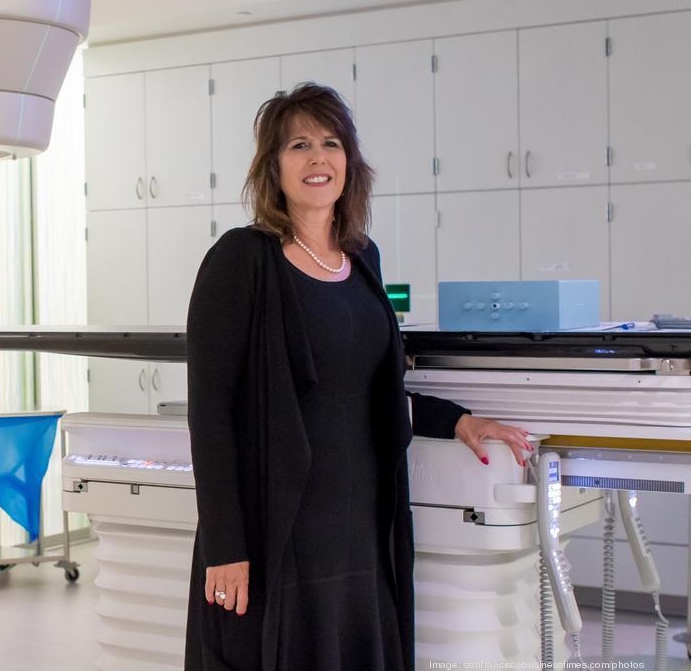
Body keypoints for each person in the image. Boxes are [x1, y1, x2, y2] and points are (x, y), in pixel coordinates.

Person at [183, 83, 535, 670]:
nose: (318, 158)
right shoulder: (241, 260)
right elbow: (211, 413)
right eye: (298, 145)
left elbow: (367, 389)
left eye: (330, 142)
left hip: (359, 522)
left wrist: (459, 421)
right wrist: (226, 547)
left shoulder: (362, 257)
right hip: (280, 528)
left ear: (350, 160)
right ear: (272, 167)